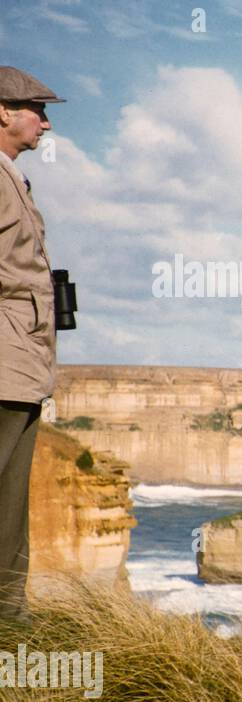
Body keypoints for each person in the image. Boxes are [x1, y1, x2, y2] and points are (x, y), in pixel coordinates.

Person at [0, 66, 64, 620]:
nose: (45, 123)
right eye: (36, 110)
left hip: (22, 363)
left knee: (11, 500)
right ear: (3, 112)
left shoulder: (13, 176)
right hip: (4, 360)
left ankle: (10, 617)